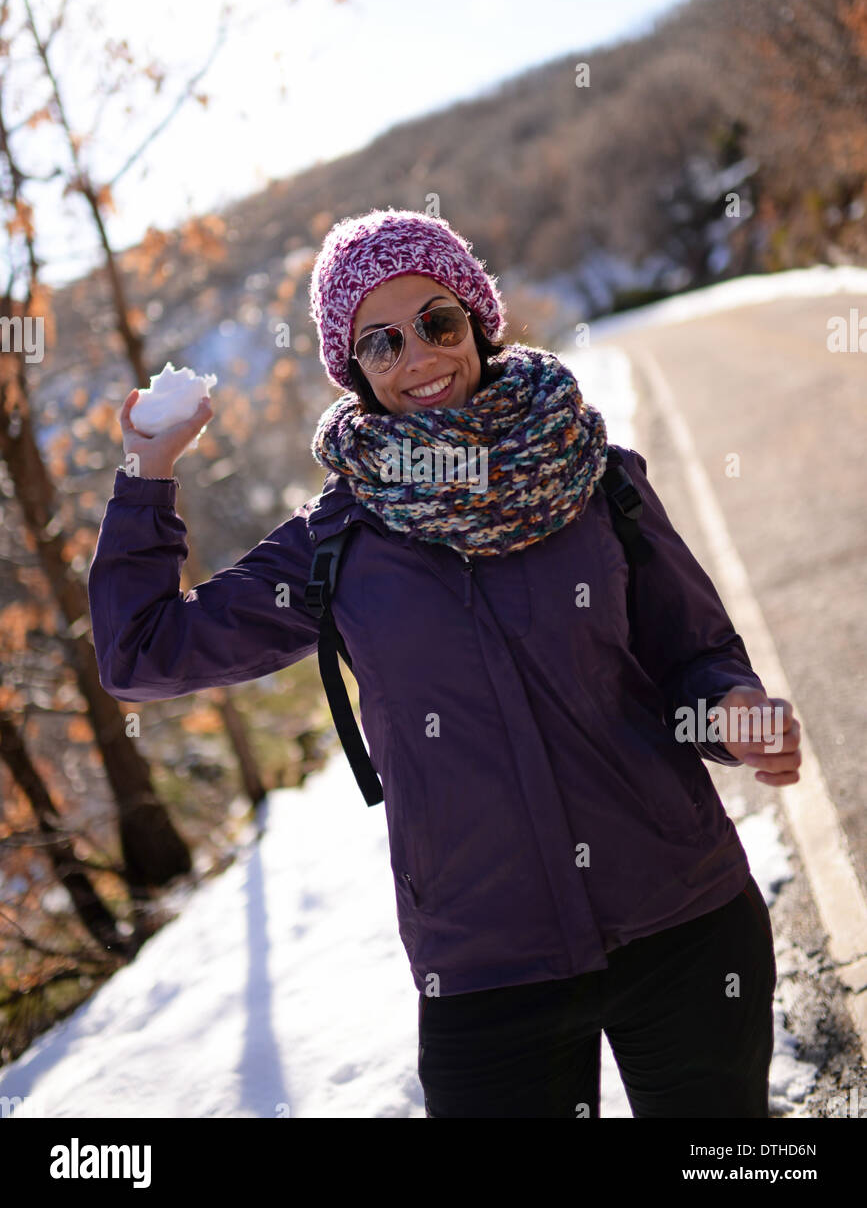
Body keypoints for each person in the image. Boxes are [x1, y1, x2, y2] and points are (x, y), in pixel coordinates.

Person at [88, 208, 802, 1119]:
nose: (418, 357)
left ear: (475, 320)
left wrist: (732, 710)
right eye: (380, 344)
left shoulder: (599, 479)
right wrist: (147, 474)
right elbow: (141, 654)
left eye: (436, 322)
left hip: (684, 917)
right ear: (354, 372)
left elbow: (692, 657)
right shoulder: (336, 545)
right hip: (485, 966)